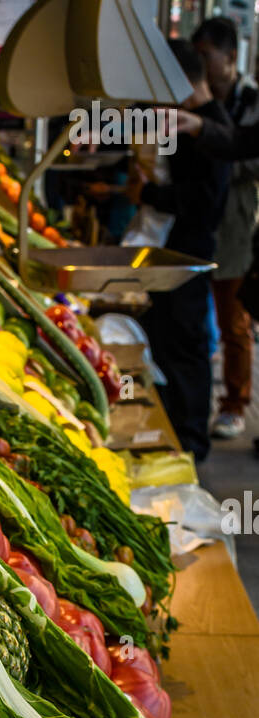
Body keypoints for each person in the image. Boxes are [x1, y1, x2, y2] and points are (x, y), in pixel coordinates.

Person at [126, 41, 230, 464]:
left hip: (188, 259)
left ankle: (190, 445)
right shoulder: (188, 124)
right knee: (168, 344)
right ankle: (176, 437)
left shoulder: (209, 128)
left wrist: (149, 192)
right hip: (169, 257)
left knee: (185, 350)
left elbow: (205, 203)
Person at [192, 17, 259, 440]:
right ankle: (205, 396)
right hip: (199, 221)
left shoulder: (250, 101)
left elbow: (248, 156)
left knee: (235, 319)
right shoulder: (196, 99)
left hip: (235, 224)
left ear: (231, 55)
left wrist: (209, 137)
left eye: (206, 56)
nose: (203, 64)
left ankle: (235, 402)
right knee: (202, 317)